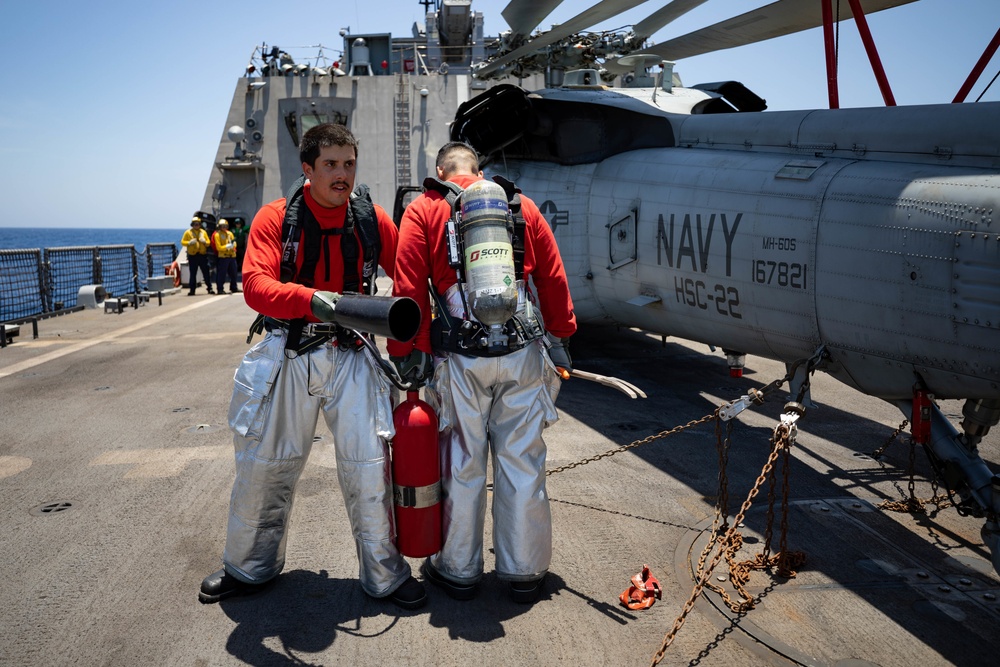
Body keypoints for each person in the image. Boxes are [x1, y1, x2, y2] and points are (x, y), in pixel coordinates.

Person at [199, 123, 426, 610]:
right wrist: (314, 301)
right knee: (266, 466)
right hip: (289, 350)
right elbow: (256, 286)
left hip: (355, 353)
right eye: (331, 165)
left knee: (369, 468)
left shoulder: (369, 218)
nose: (343, 174)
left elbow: (406, 273)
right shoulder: (274, 218)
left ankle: (384, 575)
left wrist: (413, 346)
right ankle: (249, 567)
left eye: (349, 164)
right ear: (308, 169)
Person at [387, 141, 576, 604]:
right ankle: (525, 570)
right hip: (522, 353)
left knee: (462, 463)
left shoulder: (424, 209)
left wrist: (404, 351)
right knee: (522, 461)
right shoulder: (520, 205)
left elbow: (407, 287)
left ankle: (458, 569)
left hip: (460, 358)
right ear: (480, 168)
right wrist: (561, 334)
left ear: (440, 170)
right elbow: (551, 275)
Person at [181, 215, 213, 295]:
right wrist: (189, 243)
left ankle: (210, 288)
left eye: (198, 224)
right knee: (193, 273)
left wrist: (205, 242)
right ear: (192, 224)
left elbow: (208, 243)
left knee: (206, 272)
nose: (197, 225)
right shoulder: (188, 232)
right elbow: (182, 242)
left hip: (202, 255)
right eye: (195, 224)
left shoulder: (203, 232)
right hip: (193, 256)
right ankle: (192, 290)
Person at [211, 220, 241, 294]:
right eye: (222, 226)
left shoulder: (230, 233)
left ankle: (234, 287)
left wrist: (233, 245)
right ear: (219, 226)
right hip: (223, 257)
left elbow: (234, 243)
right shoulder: (217, 235)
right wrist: (227, 246)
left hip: (232, 256)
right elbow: (219, 247)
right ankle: (220, 289)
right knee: (222, 274)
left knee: (234, 273)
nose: (224, 227)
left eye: (225, 226)